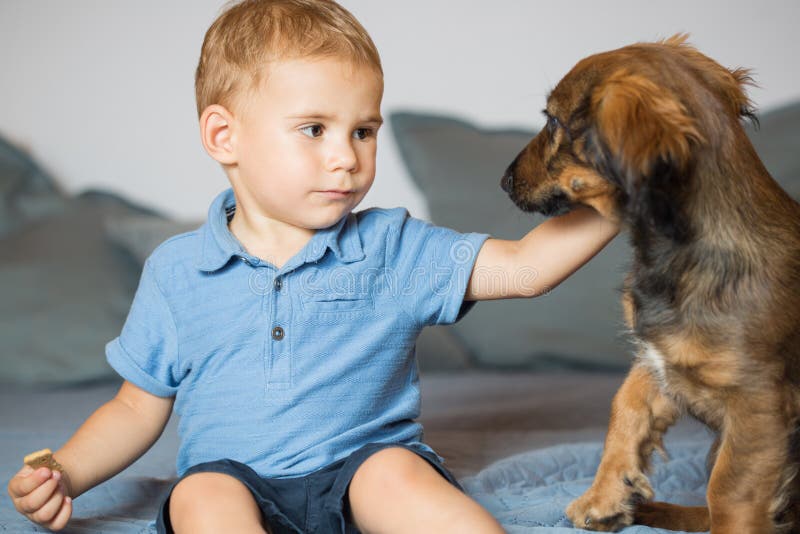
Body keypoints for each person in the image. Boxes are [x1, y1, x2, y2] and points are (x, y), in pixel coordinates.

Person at [7, 1, 620, 532]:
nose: (346, 157)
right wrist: (66, 471)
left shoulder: (390, 245)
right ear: (224, 136)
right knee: (200, 494)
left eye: (363, 131)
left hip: (361, 471)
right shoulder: (176, 271)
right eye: (314, 128)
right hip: (233, 478)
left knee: (394, 472)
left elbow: (525, 268)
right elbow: (135, 409)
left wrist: (629, 194)